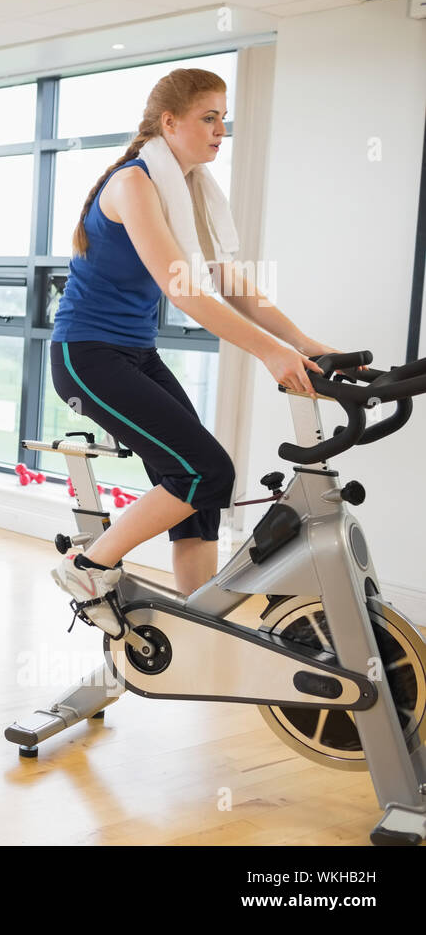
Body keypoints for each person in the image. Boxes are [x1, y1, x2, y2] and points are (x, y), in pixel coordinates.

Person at [49, 68, 340, 635]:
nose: (220, 130)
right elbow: (182, 287)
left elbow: (229, 282)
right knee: (205, 471)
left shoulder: (191, 191)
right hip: (86, 357)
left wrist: (303, 343)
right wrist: (268, 353)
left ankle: (201, 621)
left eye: (223, 118)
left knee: (205, 487)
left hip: (133, 353)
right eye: (209, 117)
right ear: (169, 121)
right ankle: (87, 567)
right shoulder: (134, 183)